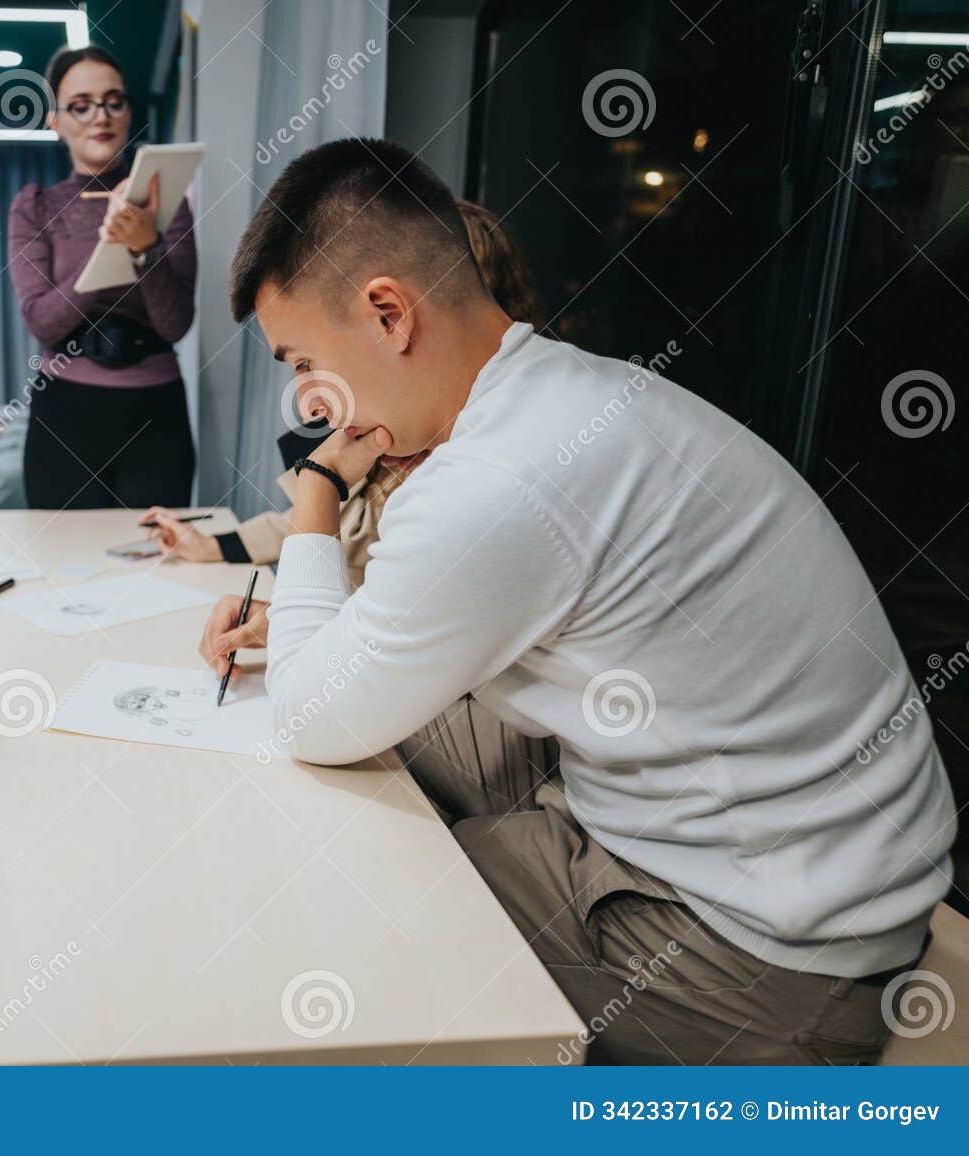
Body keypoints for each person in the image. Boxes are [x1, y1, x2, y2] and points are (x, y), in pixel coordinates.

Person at [204, 138, 956, 1064]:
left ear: (389, 314)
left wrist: (318, 491)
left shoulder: (494, 480)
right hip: (814, 870)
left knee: (383, 890)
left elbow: (310, 717)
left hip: (767, 956)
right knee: (397, 765)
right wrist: (323, 633)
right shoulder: (566, 390)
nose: (313, 406)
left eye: (304, 363)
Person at [142, 199, 543, 586]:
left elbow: (370, 564)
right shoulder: (390, 420)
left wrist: (318, 480)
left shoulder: (469, 467)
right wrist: (216, 546)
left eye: (306, 362)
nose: (309, 406)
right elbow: (312, 520)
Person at [9, 45, 197, 510]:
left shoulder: (165, 200)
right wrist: (110, 243)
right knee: (64, 549)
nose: (101, 116)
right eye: (81, 105)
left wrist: (145, 247)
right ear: (56, 121)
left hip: (156, 411)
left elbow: (175, 324)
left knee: (155, 549)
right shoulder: (35, 206)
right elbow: (43, 323)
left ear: (128, 112)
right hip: (65, 410)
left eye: (114, 101)